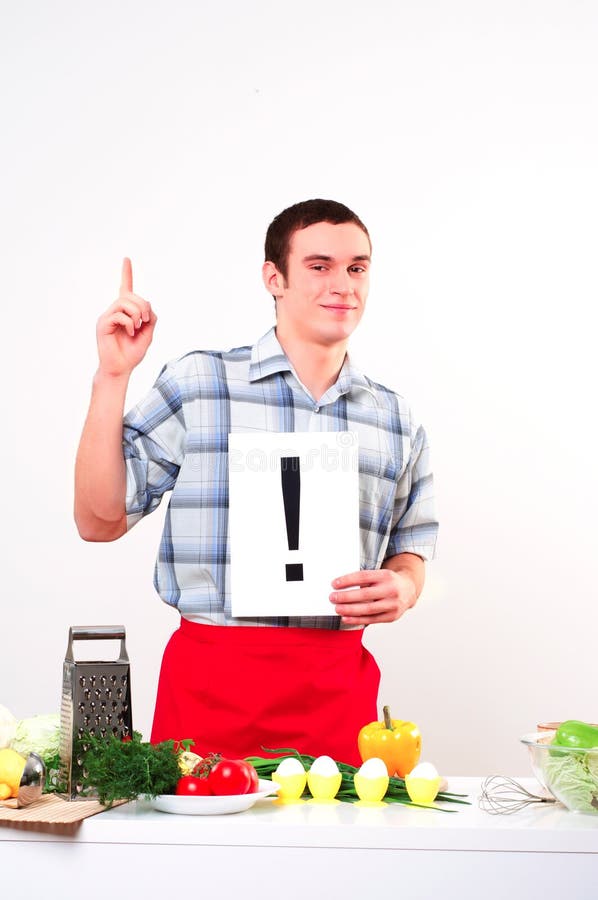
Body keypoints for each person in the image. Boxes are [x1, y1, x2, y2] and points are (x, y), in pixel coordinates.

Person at [74, 199, 438, 766]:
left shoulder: (395, 418)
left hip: (337, 698)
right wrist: (112, 376)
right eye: (319, 266)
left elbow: (411, 548)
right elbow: (97, 520)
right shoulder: (201, 382)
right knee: (198, 856)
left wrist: (406, 588)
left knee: (339, 854)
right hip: (209, 694)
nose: (343, 284)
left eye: (357, 267)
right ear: (275, 277)